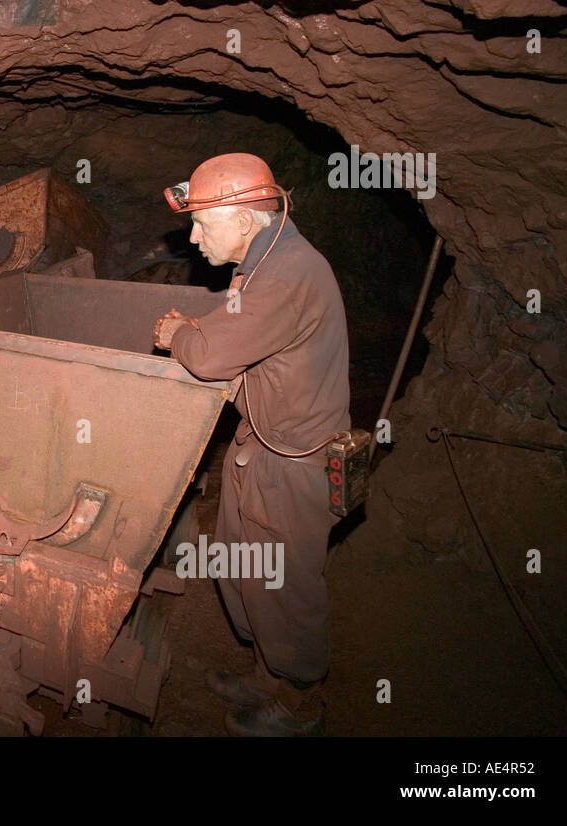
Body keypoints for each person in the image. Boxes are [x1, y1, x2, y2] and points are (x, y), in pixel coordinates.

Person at [154, 152, 349, 737]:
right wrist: (198, 325)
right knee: (243, 563)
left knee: (283, 581)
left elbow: (212, 355)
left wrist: (178, 335)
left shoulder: (288, 274)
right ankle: (269, 673)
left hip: (292, 462)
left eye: (201, 224)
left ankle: (299, 704)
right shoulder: (267, 259)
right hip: (262, 445)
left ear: (242, 217)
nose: (191, 237)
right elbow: (237, 322)